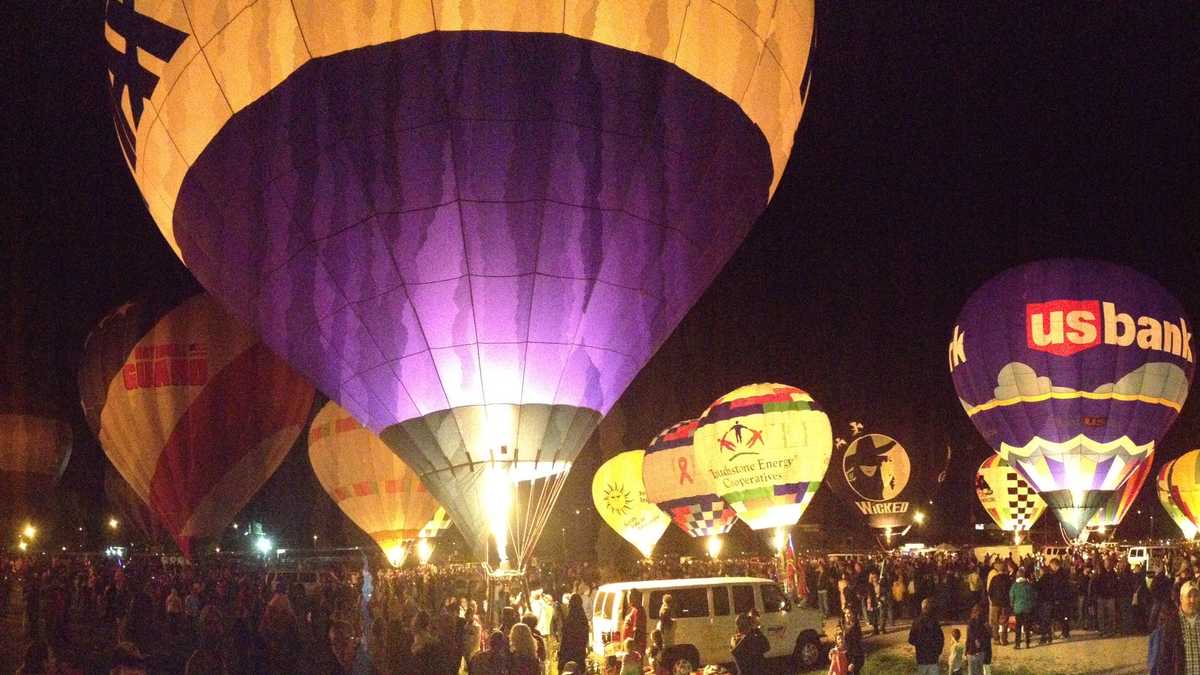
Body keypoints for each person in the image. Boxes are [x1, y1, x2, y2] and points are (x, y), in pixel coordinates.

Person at [1151, 580, 1200, 674]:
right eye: (1189, 596)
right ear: (1181, 598)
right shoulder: (1171, 624)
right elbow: (1164, 661)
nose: (1192, 600)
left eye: (1196, 596)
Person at [907, 598, 943, 675]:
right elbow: (940, 638)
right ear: (927, 608)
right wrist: (938, 651)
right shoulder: (934, 622)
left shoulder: (917, 622)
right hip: (933, 658)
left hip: (922, 658)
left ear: (923, 608)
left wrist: (920, 644)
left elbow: (911, 639)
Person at [558, 594, 589, 673]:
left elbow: (564, 636)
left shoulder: (569, 618)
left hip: (568, 650)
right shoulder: (583, 618)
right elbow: (585, 635)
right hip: (579, 649)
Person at [1009, 568, 1035, 649]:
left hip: (1018, 608)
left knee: (1018, 627)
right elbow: (1032, 595)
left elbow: (1011, 596)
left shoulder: (1014, 586)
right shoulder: (1028, 585)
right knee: (1027, 626)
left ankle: (1017, 644)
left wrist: (1012, 604)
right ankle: (1027, 642)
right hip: (1027, 608)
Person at [986, 562, 1012, 646]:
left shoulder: (994, 579)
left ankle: (996, 639)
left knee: (995, 622)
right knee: (1004, 622)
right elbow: (1011, 591)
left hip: (995, 604)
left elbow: (989, 591)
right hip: (1005, 603)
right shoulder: (1008, 579)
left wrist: (993, 599)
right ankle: (1004, 640)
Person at [966, 605, 991, 675]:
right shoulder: (974, 623)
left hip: (976, 652)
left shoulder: (981, 623)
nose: (977, 614)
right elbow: (969, 638)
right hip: (977, 652)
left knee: (974, 672)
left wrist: (966, 651)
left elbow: (969, 638)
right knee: (977, 672)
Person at [840, 607, 865, 674]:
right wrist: (835, 649)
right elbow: (842, 641)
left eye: (849, 613)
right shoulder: (845, 626)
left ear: (853, 615)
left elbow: (856, 646)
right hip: (848, 655)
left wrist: (853, 662)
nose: (846, 615)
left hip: (856, 657)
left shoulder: (855, 628)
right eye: (845, 613)